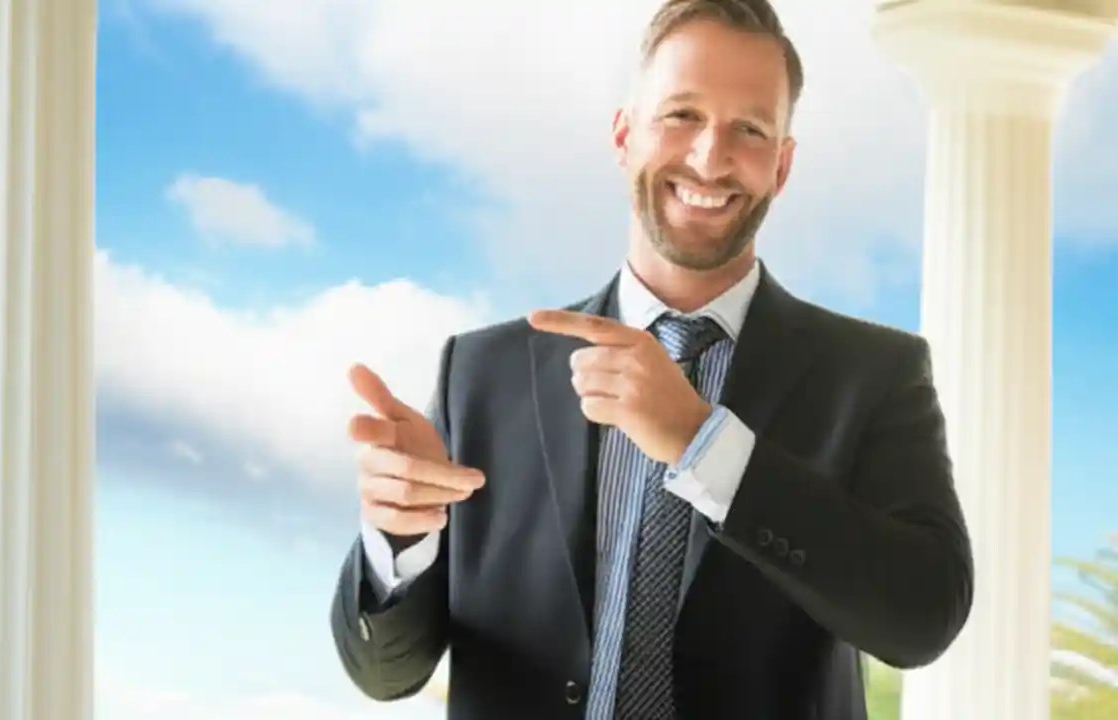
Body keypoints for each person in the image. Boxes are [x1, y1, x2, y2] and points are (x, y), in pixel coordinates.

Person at [329, 0, 974, 717]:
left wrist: (704, 446)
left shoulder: (874, 375)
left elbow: (924, 617)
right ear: (623, 133)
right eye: (681, 115)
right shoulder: (483, 375)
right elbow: (385, 675)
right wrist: (400, 539)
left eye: (750, 130)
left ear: (783, 165)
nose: (709, 156)